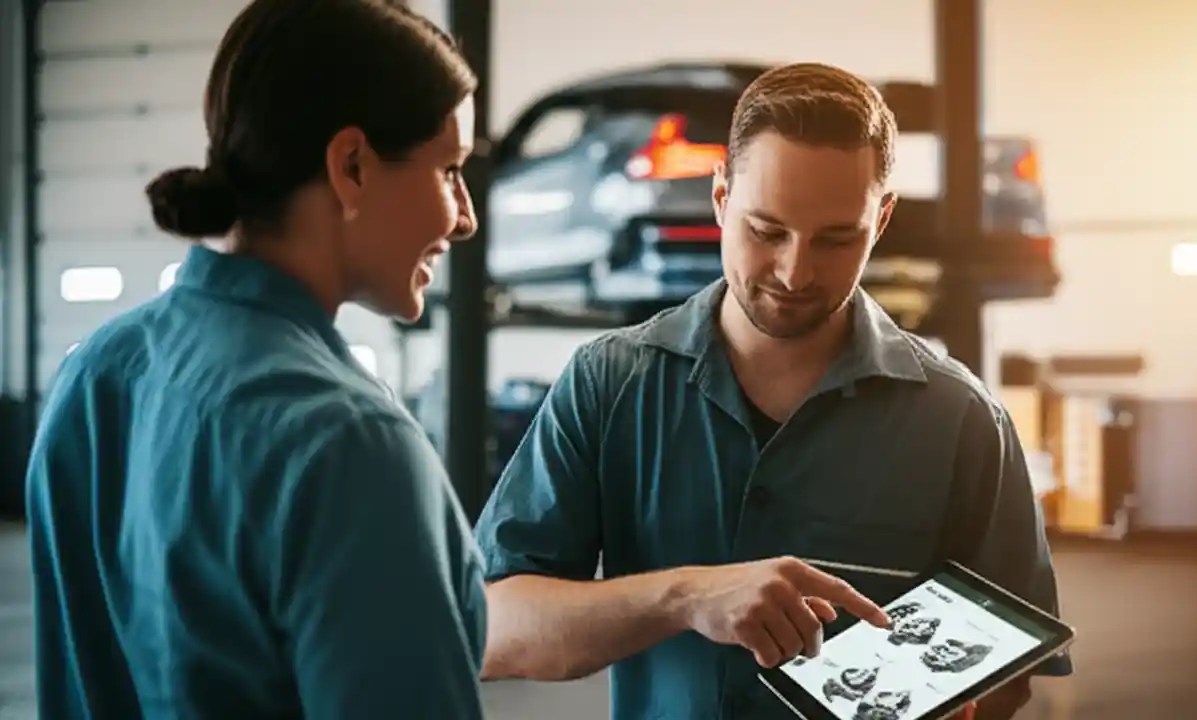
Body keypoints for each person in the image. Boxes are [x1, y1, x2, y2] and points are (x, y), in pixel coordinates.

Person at [475, 62, 1072, 720]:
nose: (795, 271)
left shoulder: (962, 421)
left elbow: (1012, 667)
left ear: (882, 219)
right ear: (721, 199)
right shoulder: (610, 384)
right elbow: (493, 631)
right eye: (767, 232)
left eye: (836, 239)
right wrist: (687, 597)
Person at [25, 2, 486, 718]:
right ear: (352, 166)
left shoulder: (96, 376)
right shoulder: (348, 443)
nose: (464, 216)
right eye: (449, 169)